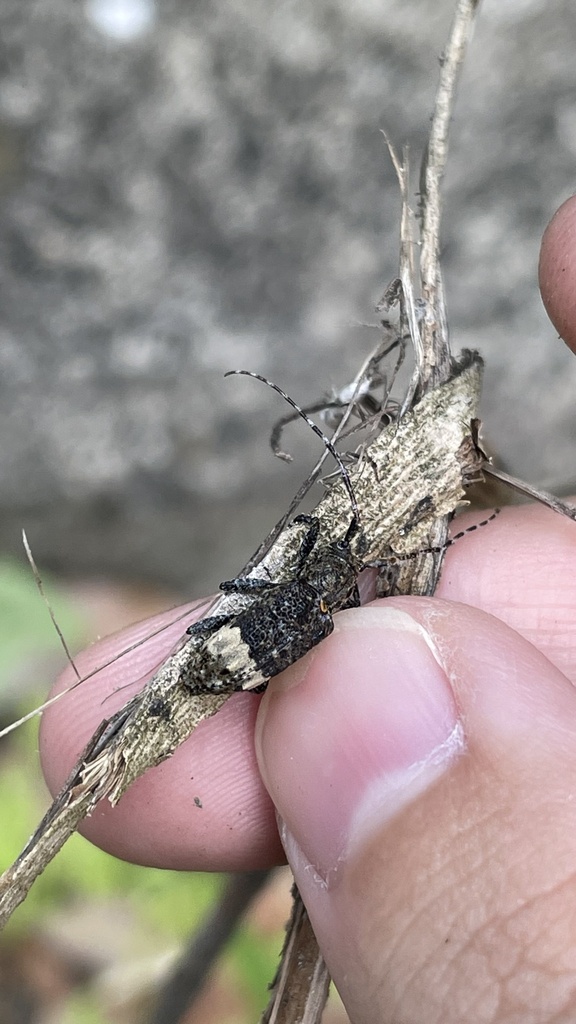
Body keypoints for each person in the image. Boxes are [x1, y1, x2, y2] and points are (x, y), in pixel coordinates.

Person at [40, 197, 576, 1022]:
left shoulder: (313, 611)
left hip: (253, 634)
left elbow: (285, 606)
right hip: (251, 636)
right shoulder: (316, 607)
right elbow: (290, 596)